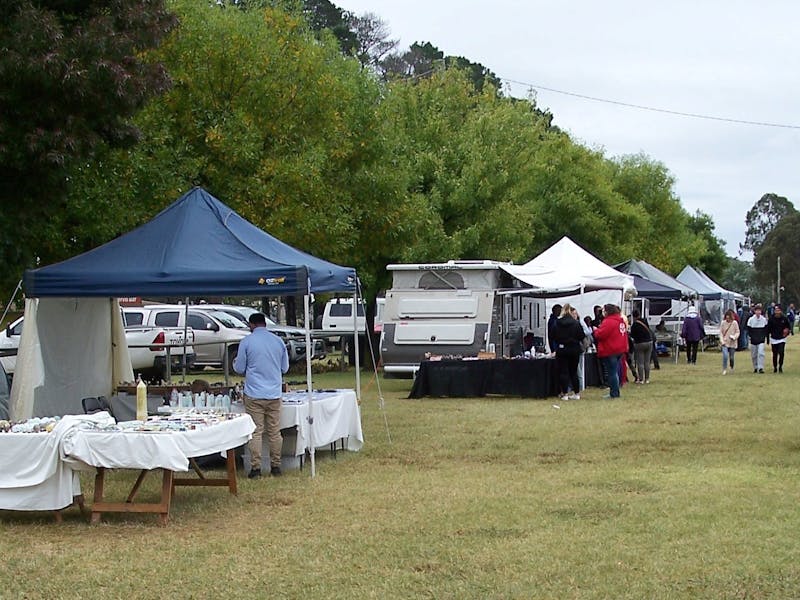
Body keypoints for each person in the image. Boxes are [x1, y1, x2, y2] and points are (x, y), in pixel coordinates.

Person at [233, 311, 290, 479]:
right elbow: (284, 368)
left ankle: (256, 468)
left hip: (254, 393)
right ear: (264, 323)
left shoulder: (246, 342)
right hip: (273, 393)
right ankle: (276, 466)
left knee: (256, 431)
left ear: (251, 325)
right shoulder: (278, 341)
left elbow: (239, 368)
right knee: (274, 431)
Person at [592, 304, 628, 399]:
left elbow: (601, 335)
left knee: (611, 372)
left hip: (610, 349)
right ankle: (615, 392)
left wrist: (595, 330)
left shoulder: (609, 321)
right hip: (619, 349)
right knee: (614, 371)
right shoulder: (620, 321)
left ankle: (614, 393)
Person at [551, 303, 585, 401]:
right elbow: (581, 336)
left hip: (562, 349)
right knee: (573, 371)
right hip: (574, 349)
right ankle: (576, 393)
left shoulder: (557, 323)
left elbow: (553, 335)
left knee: (563, 372)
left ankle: (565, 393)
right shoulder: (576, 323)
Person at [630, 309, 653, 384]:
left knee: (640, 362)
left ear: (633, 316)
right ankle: (647, 379)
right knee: (647, 362)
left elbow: (632, 335)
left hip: (639, 343)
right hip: (649, 342)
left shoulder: (634, 325)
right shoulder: (645, 321)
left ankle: (641, 379)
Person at [766, 304, 791, 373]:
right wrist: (768, 339)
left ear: (780, 311)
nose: (777, 312)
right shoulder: (771, 319)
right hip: (774, 338)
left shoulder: (784, 318)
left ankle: (780, 366)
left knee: (781, 352)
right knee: (775, 354)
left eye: (778, 310)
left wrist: (787, 332)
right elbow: (768, 329)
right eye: (776, 310)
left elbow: (788, 327)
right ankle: (775, 367)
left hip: (782, 338)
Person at [746, 304, 768, 374]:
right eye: (757, 311)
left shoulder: (764, 320)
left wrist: (765, 338)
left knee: (761, 353)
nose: (758, 312)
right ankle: (755, 367)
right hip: (753, 339)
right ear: (754, 311)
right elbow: (749, 330)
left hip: (761, 339)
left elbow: (765, 330)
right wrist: (751, 337)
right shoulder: (751, 320)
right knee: (754, 354)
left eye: (759, 311)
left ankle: (760, 367)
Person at [719, 309, 740, 375]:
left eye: (729, 318)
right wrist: (722, 341)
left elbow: (738, 332)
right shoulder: (723, 323)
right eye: (726, 318)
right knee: (725, 356)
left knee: (731, 357)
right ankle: (724, 369)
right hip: (725, 342)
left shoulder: (735, 323)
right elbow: (721, 333)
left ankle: (731, 367)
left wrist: (734, 337)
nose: (727, 319)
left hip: (732, 343)